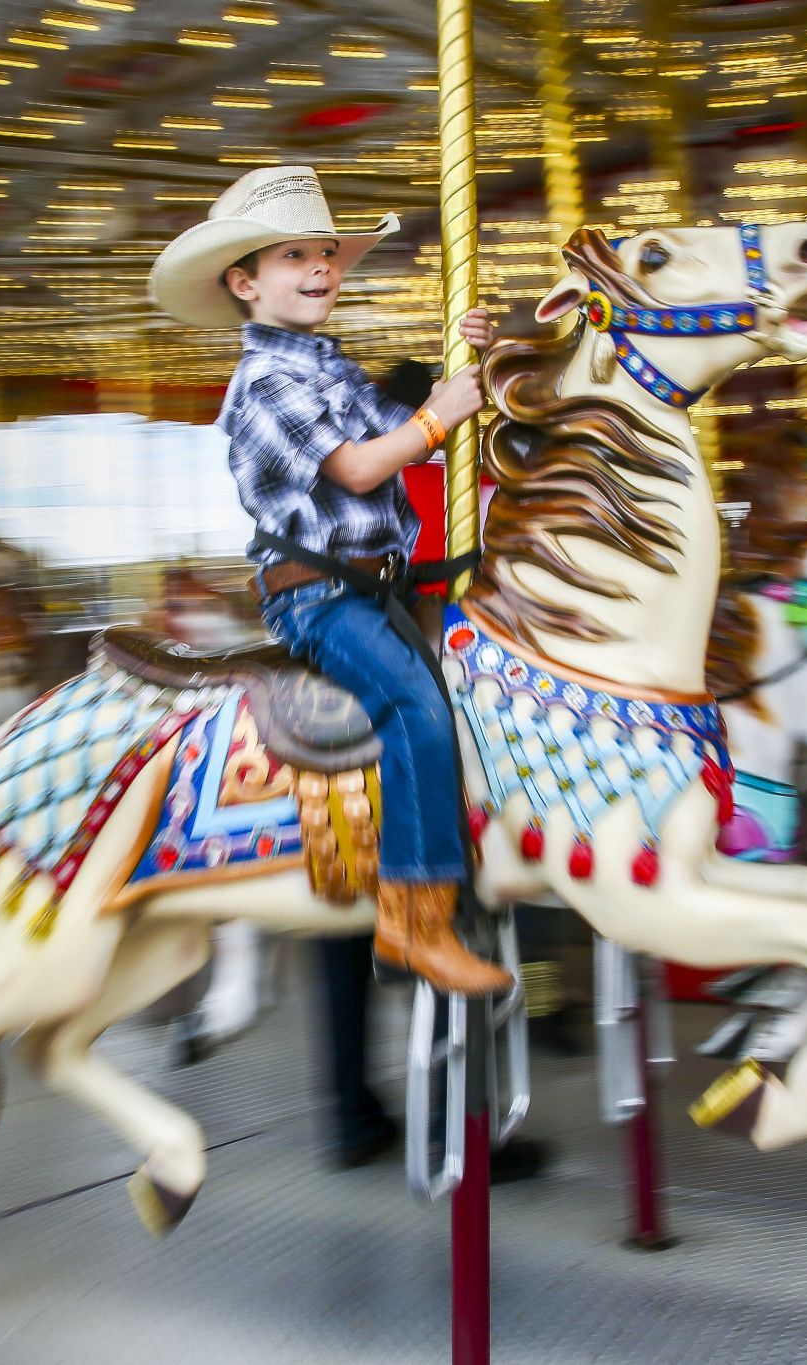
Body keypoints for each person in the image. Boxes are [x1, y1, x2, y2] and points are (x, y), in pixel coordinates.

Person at [147, 164, 509, 999]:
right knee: (414, 711)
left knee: (469, 699)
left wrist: (470, 362)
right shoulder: (264, 383)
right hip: (317, 596)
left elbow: (409, 436)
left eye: (327, 254)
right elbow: (357, 468)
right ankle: (412, 920)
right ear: (244, 282)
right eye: (294, 257)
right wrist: (435, 416)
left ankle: (462, 867)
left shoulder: (327, 367)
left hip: (380, 585)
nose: (320, 270)